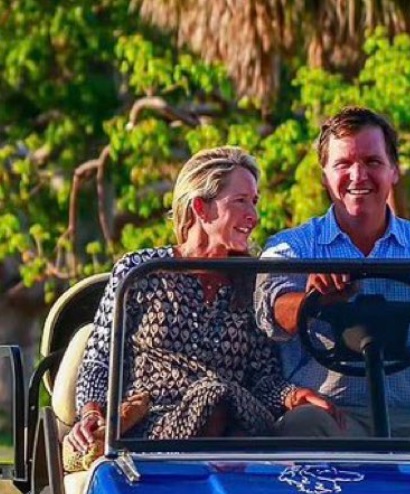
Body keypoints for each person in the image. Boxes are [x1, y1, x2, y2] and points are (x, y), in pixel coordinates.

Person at [66, 146, 340, 457]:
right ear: (200, 207)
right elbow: (100, 361)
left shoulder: (252, 282)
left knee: (218, 396)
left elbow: (263, 378)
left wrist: (293, 396)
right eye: (240, 201)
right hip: (149, 429)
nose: (254, 216)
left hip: (235, 421)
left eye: (254, 202)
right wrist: (92, 415)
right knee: (214, 398)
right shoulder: (141, 272)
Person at [254, 106, 410, 438]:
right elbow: (271, 312)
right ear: (324, 175)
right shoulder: (292, 250)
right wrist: (311, 301)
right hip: (331, 418)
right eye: (343, 164)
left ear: (394, 171)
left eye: (372, 162)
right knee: (301, 428)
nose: (358, 176)